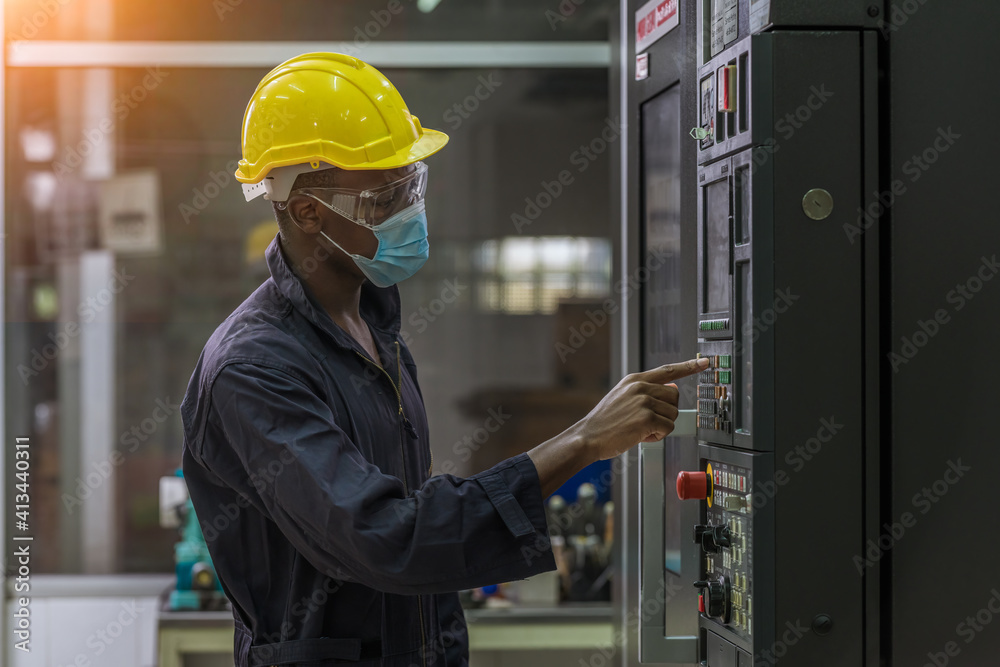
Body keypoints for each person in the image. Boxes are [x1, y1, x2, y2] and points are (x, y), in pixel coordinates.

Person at [179, 52, 708, 667]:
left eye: (412, 187)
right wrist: (584, 440)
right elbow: (385, 540)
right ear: (306, 211)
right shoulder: (254, 367)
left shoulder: (373, 330)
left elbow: (413, 543)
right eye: (385, 196)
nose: (409, 212)